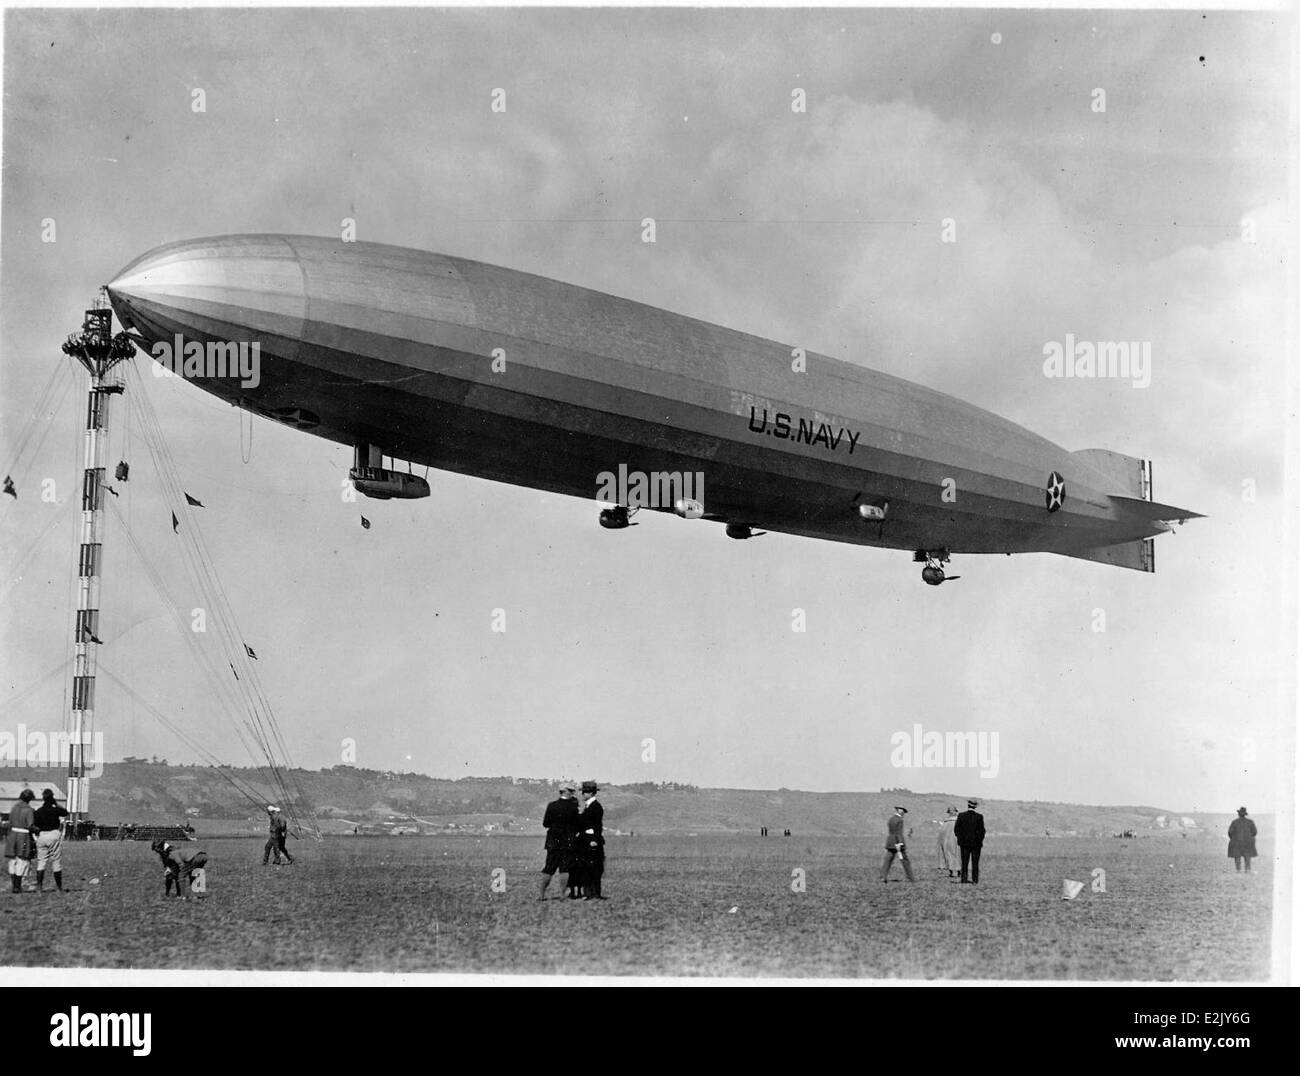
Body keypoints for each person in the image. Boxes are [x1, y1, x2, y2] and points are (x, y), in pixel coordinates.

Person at [539, 782, 580, 900]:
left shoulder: (551, 805)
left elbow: (545, 823)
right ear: (566, 792)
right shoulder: (573, 807)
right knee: (565, 869)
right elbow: (577, 824)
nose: (573, 793)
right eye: (571, 791)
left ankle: (541, 894)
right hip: (568, 842)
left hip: (553, 842)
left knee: (549, 868)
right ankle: (563, 894)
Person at [32, 788, 68, 893]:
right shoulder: (55, 809)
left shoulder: (39, 811)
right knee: (56, 861)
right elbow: (65, 812)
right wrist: (55, 804)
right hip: (54, 834)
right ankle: (59, 887)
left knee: (41, 862)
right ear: (52, 797)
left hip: (42, 836)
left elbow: (35, 824)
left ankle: (39, 887)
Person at [576, 780, 606, 900]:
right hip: (587, 840)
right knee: (588, 867)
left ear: (591, 793)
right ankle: (590, 893)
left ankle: (593, 893)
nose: (583, 794)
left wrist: (594, 840)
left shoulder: (595, 807)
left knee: (594, 867)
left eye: (585, 792)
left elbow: (597, 826)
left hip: (592, 841)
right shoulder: (589, 806)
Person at [4, 789, 37, 893]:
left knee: (12, 860)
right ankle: (17, 886)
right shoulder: (29, 809)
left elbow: (10, 823)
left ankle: (14, 884)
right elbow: (30, 825)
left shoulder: (14, 808)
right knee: (22, 860)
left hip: (12, 835)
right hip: (23, 836)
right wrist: (38, 830)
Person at [880, 805, 915, 882]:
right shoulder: (900, 820)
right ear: (899, 811)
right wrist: (900, 843)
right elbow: (898, 832)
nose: (903, 812)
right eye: (902, 811)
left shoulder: (891, 819)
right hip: (898, 844)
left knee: (888, 860)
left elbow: (892, 831)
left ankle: (883, 876)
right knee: (905, 861)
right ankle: (911, 878)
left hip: (890, 842)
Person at [955, 799, 985, 884]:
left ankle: (964, 879)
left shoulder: (961, 816)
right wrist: (979, 841)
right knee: (975, 863)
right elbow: (982, 831)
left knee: (964, 862)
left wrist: (960, 840)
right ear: (975, 806)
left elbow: (956, 830)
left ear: (968, 805)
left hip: (964, 844)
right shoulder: (979, 817)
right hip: (976, 844)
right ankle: (975, 880)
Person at [1227, 807, 1258, 872]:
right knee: (1247, 855)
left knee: (1237, 855)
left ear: (1239, 814)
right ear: (1245, 814)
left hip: (1237, 842)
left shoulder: (1234, 822)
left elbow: (1230, 832)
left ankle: (1238, 870)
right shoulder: (1250, 822)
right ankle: (1248, 870)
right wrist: (1249, 838)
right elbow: (1254, 832)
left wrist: (1234, 838)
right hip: (1248, 842)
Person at [934, 806, 959, 877]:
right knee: (958, 855)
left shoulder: (945, 823)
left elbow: (941, 835)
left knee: (949, 856)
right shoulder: (958, 821)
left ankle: (951, 871)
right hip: (957, 841)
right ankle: (959, 871)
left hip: (947, 842)